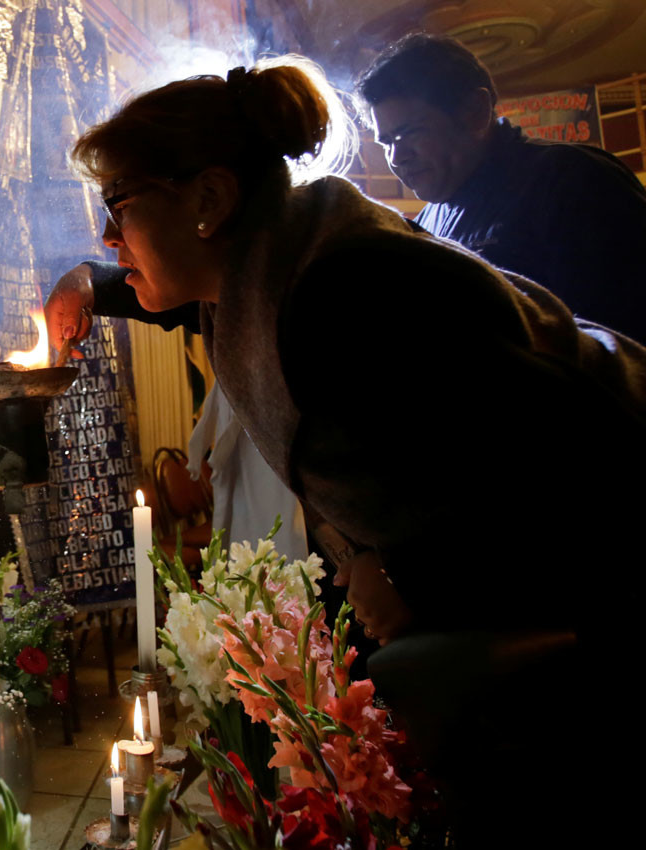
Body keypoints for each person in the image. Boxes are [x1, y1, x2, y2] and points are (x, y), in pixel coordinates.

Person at [43, 57, 644, 847]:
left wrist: (401, 569)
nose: (106, 232)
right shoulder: (273, 262)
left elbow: (572, 462)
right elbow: (164, 285)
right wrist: (91, 283)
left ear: (211, 198)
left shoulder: (351, 291)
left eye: (117, 203)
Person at [356, 32, 646, 342]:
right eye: (386, 142)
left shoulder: (573, 179)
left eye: (409, 133)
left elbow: (624, 344)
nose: (397, 158)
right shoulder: (426, 223)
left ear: (475, 113)